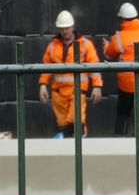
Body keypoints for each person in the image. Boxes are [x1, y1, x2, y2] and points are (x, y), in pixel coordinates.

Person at [39, 9, 102, 137]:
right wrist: (43, 85)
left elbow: (94, 67)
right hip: (58, 93)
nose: (64, 31)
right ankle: (70, 142)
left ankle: (79, 136)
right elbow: (46, 68)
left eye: (67, 28)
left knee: (75, 121)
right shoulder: (52, 46)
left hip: (77, 90)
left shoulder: (85, 44)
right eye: (61, 28)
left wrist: (97, 86)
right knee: (63, 125)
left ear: (72, 27)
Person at [103, 3, 139, 135]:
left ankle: (120, 141)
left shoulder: (118, 38)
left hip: (126, 85)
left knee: (123, 114)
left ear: (122, 19)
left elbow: (109, 54)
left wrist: (106, 46)